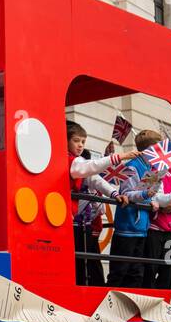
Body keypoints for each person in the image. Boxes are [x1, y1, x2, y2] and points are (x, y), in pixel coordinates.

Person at [66, 120, 126, 286]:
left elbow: (95, 179)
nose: (80, 145)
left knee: (82, 258)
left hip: (72, 218)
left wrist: (114, 193)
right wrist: (117, 157)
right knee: (76, 259)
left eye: (83, 142)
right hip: (64, 217)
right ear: (66, 140)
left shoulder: (75, 160)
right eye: (76, 141)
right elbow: (90, 168)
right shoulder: (71, 161)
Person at [108, 130, 165, 289]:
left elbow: (144, 195)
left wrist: (151, 199)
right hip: (127, 228)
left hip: (141, 228)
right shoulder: (132, 166)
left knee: (136, 273)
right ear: (149, 149)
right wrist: (147, 194)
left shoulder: (149, 167)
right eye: (158, 147)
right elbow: (126, 193)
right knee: (120, 272)